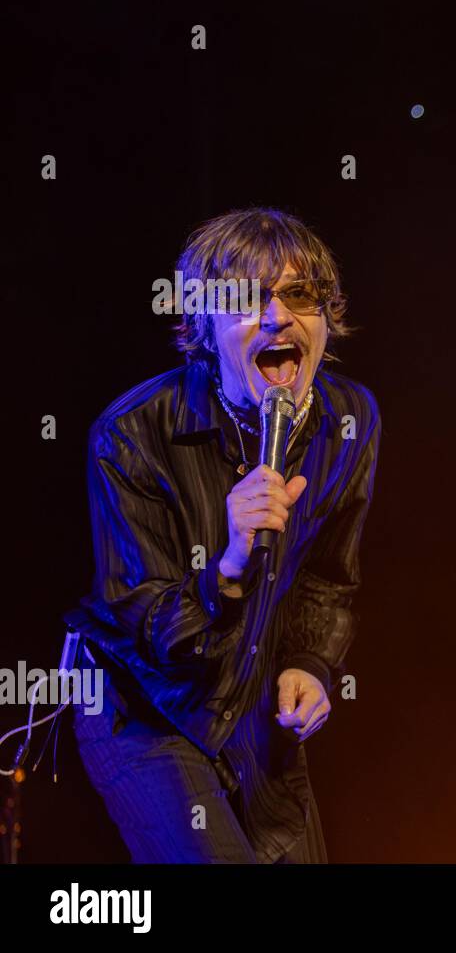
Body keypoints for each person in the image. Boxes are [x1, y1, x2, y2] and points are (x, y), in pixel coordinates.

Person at [70, 207, 380, 862]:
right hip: (144, 708)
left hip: (251, 698)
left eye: (299, 295)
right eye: (245, 300)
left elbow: (329, 575)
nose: (276, 317)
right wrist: (232, 563)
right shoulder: (131, 435)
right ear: (203, 328)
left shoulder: (350, 419)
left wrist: (310, 663)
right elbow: (154, 629)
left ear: (326, 317)